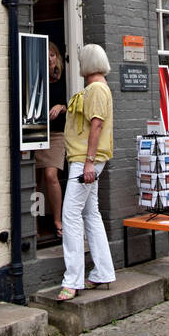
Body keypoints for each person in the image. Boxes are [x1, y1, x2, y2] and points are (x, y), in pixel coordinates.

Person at [56, 44, 116, 301]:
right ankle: (102, 271)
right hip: (85, 160)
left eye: (81, 60)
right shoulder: (95, 89)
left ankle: (72, 281)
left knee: (70, 214)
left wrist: (89, 162)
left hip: (84, 161)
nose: (78, 64)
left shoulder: (97, 89)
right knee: (91, 213)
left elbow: (97, 125)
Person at [35, 41, 67, 236]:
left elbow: (73, 103)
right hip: (37, 132)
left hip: (56, 134)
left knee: (50, 176)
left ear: (58, 58)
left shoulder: (65, 78)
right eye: (45, 55)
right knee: (34, 181)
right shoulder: (36, 78)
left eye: (52, 55)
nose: (49, 58)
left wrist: (61, 107)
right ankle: (35, 223)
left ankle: (57, 219)